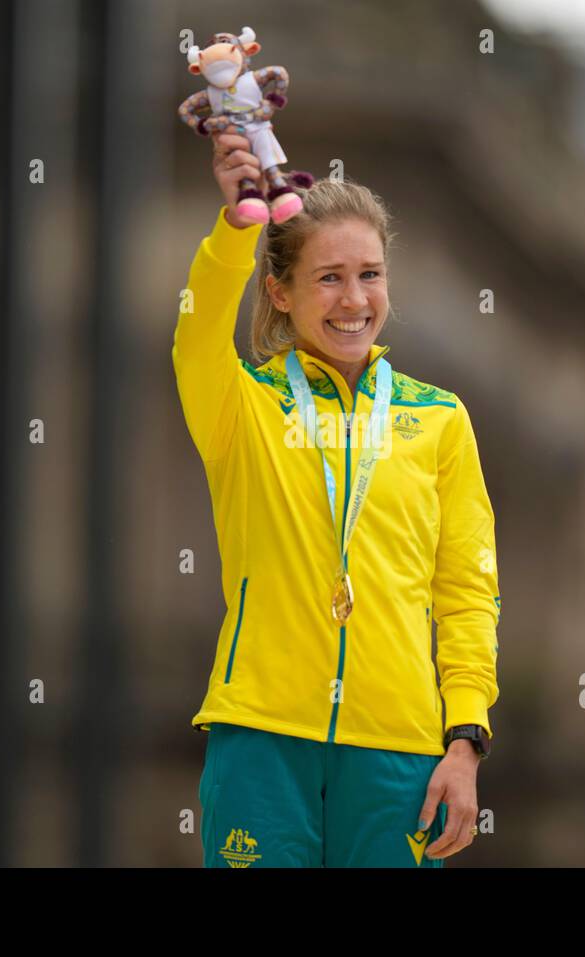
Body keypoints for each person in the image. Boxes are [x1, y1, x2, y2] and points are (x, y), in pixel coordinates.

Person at [173, 130, 501, 867]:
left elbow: (467, 591)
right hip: (262, 737)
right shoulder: (243, 406)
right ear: (280, 291)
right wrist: (237, 228)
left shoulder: (440, 419)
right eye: (328, 278)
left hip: (399, 752)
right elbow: (197, 337)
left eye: (370, 275)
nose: (354, 299)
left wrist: (465, 739)